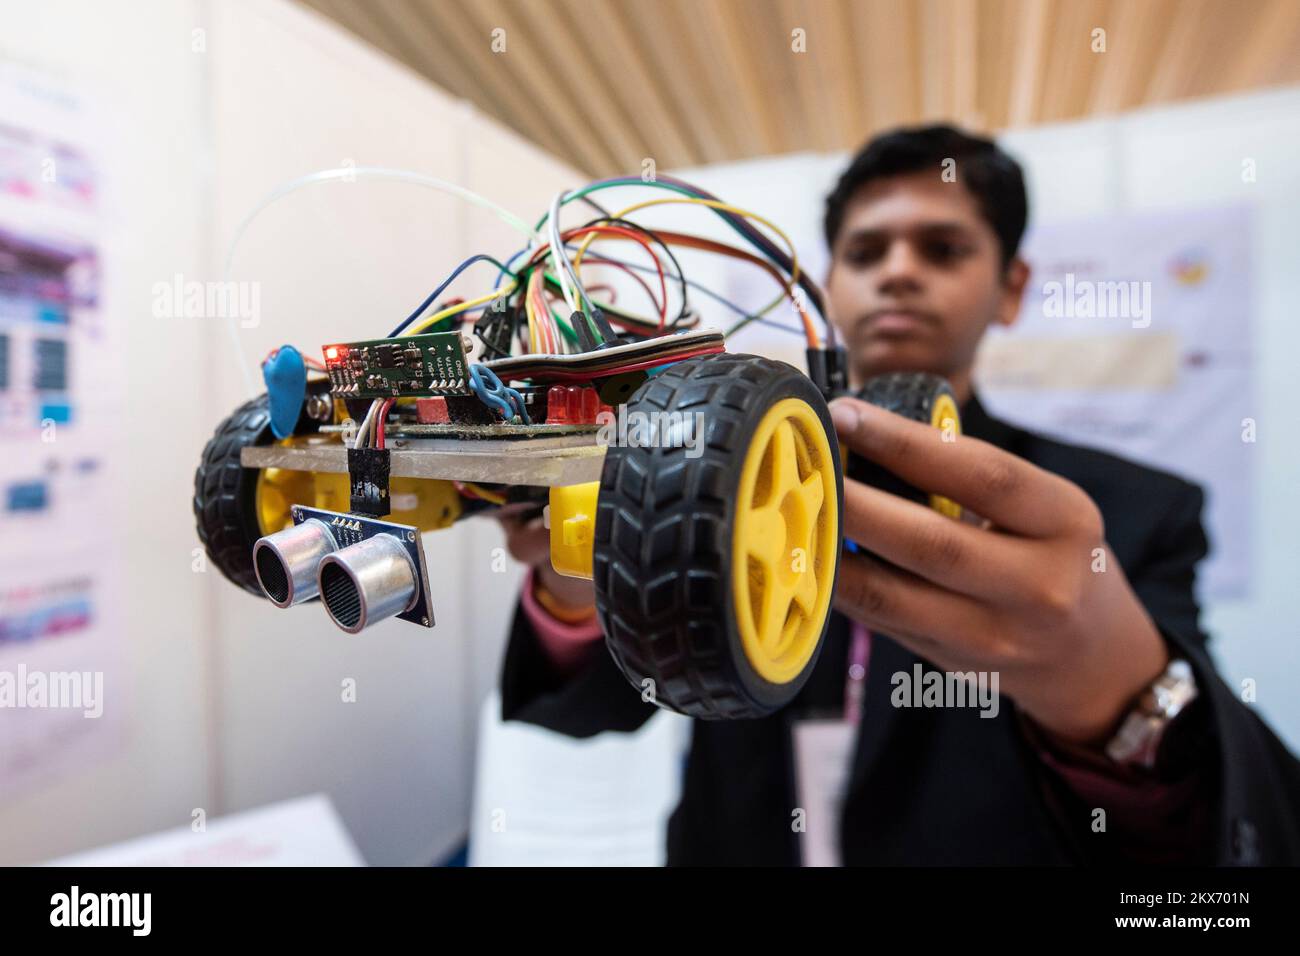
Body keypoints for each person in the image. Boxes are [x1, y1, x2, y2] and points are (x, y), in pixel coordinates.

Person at [495, 125, 1300, 865]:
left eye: (943, 249)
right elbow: (587, 716)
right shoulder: (708, 473)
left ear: (1011, 287)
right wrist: (580, 583)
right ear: (832, 283)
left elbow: (1225, 841)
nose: (900, 272)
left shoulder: (1128, 510)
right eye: (867, 251)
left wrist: (1117, 702)